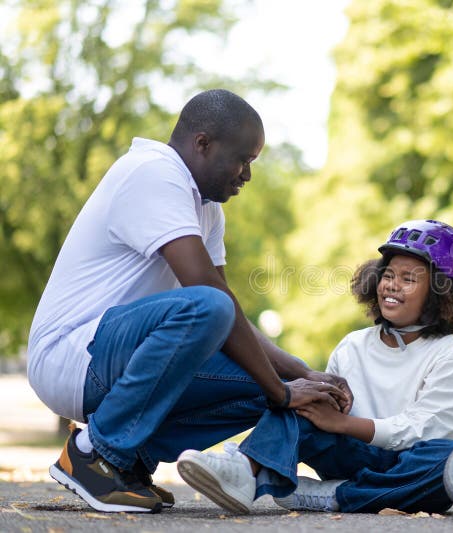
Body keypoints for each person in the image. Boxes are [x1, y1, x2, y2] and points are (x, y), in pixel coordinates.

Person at [27, 89, 350, 514]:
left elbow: (229, 314)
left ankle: (131, 460)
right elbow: (207, 297)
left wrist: (297, 375)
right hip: (71, 356)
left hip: (115, 359)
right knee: (212, 312)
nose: (247, 175)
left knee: (260, 384)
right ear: (203, 143)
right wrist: (283, 391)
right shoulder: (152, 173)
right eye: (244, 159)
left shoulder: (207, 209)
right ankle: (96, 454)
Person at [177, 219, 453, 514]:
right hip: (352, 455)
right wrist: (324, 410)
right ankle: (244, 469)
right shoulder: (352, 345)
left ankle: (334, 495)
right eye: (388, 274)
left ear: (441, 294)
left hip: (411, 467)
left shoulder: (451, 354)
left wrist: (344, 424)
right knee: (302, 394)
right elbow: (326, 412)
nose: (391, 285)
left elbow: (425, 430)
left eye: (408, 279)